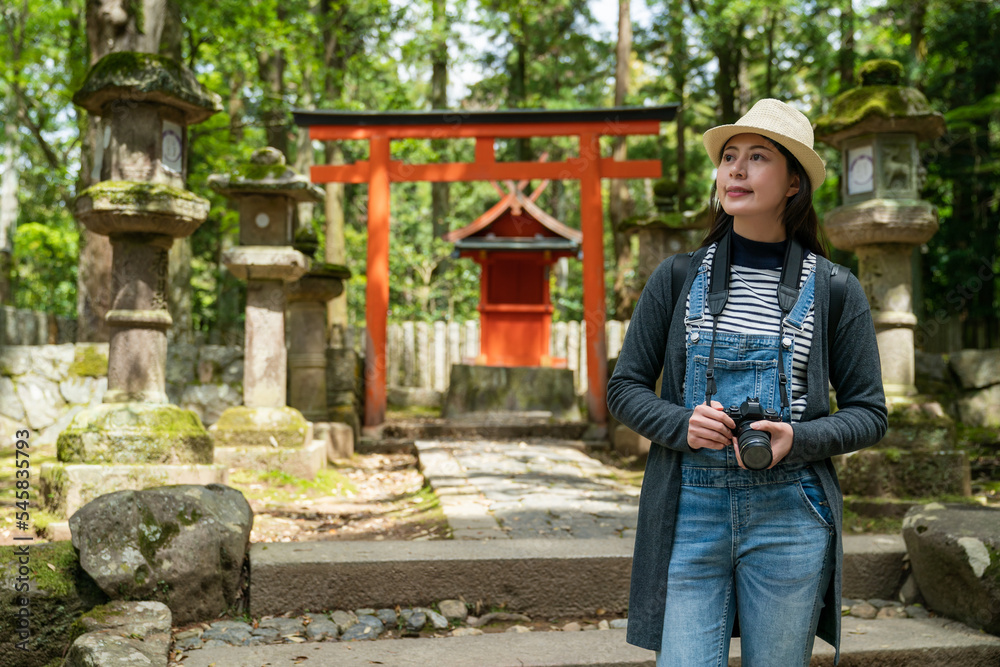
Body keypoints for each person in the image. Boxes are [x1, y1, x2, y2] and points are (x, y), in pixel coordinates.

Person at [606, 99, 888, 667]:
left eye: (757, 157)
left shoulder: (835, 288)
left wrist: (798, 438)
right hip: (690, 507)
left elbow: (870, 412)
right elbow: (625, 387)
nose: (735, 169)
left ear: (792, 183)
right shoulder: (678, 276)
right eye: (728, 156)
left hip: (793, 512)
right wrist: (681, 423)